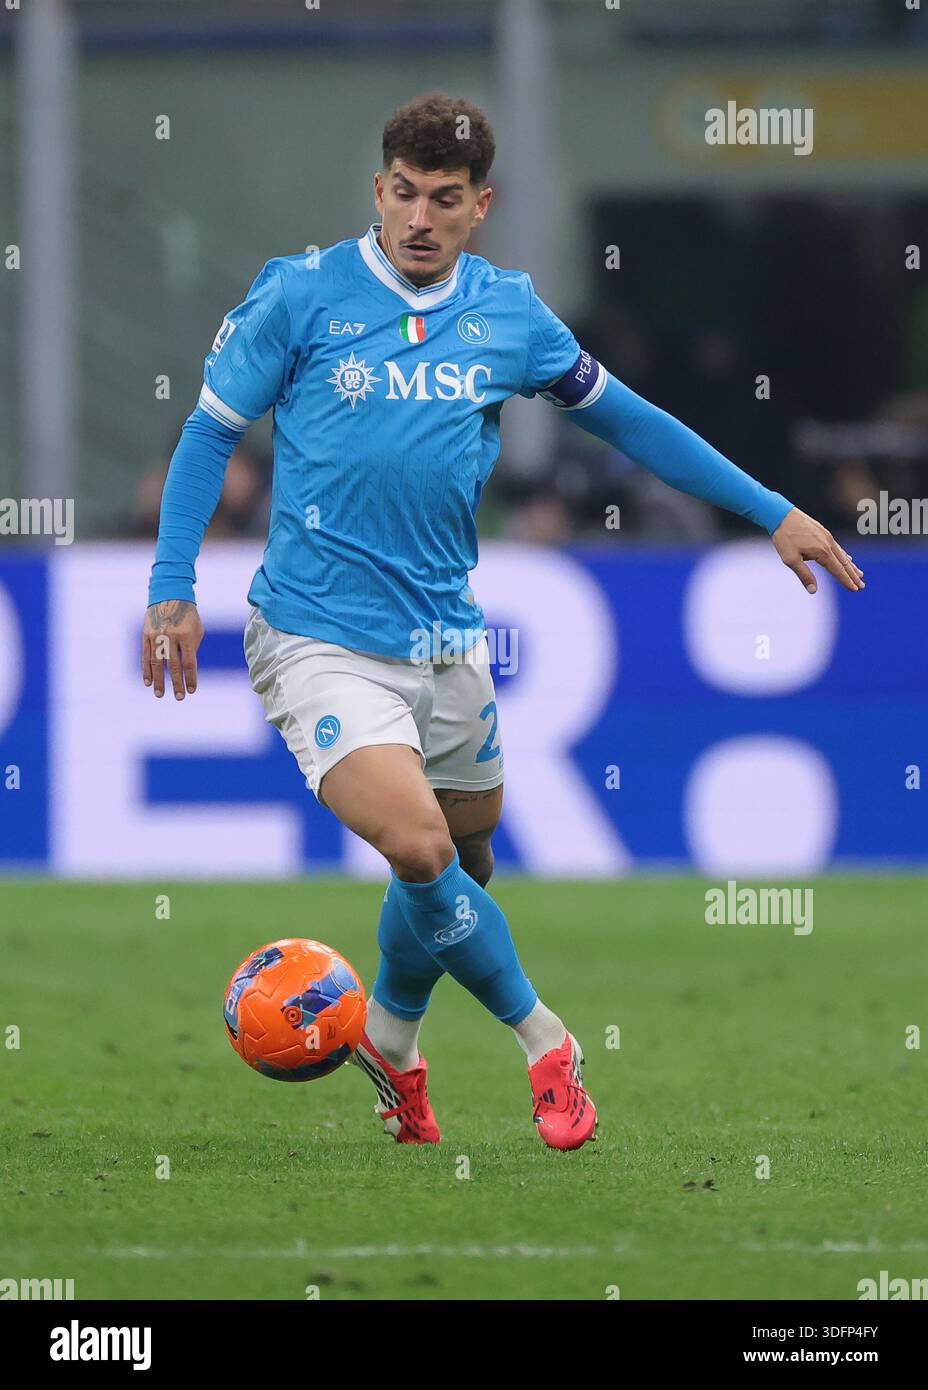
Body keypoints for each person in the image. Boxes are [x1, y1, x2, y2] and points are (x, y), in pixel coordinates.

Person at [142, 93, 864, 1151]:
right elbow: (210, 433)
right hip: (315, 637)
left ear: (482, 206)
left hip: (445, 640)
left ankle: (388, 1040)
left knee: (462, 867)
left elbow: (633, 423)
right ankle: (547, 1044)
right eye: (402, 193)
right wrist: (172, 583)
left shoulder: (511, 316)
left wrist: (772, 512)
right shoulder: (301, 297)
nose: (419, 217)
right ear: (377, 191)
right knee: (424, 846)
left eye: (444, 199)